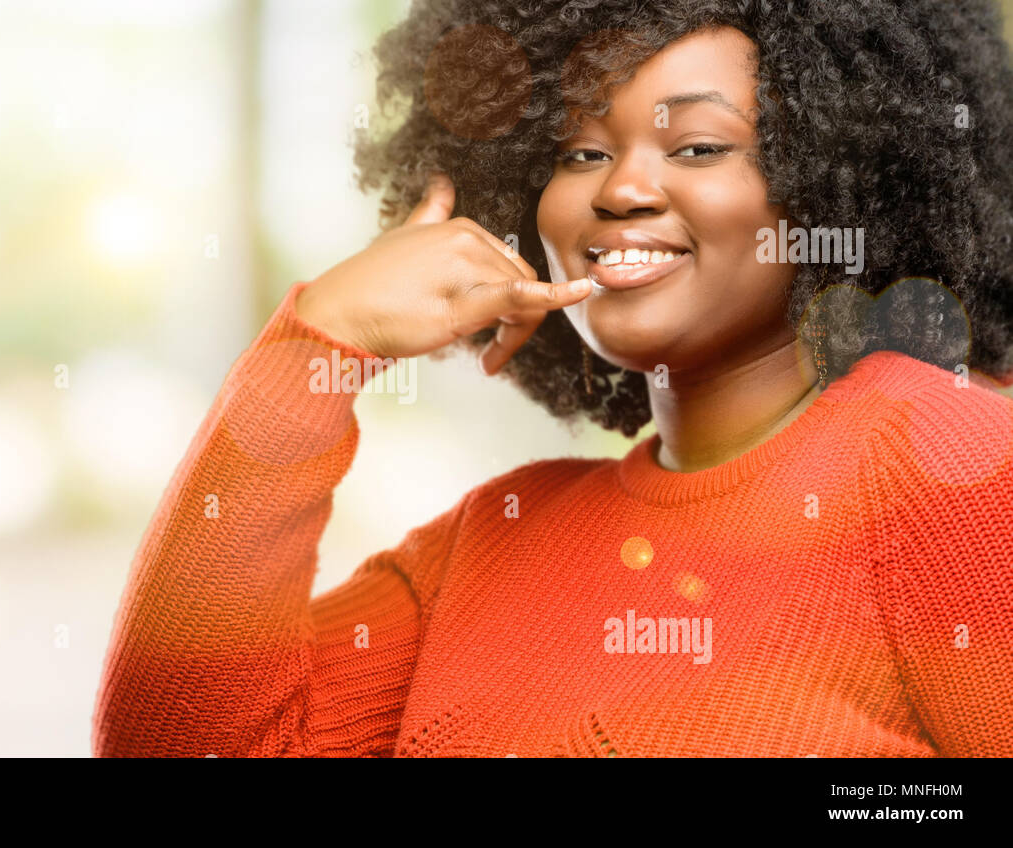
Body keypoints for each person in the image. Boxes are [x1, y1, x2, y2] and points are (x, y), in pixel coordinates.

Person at [93, 0, 1013, 757]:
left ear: (839, 177)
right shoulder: (491, 539)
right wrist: (319, 345)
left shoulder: (940, 452)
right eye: (580, 153)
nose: (620, 190)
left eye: (697, 146)